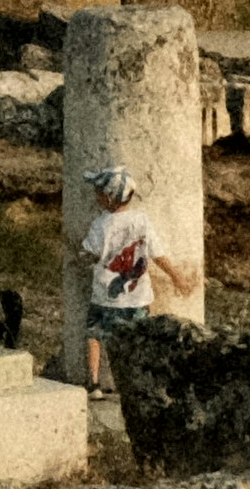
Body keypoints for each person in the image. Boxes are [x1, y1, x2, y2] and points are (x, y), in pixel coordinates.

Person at [75, 165, 187, 386]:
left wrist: (79, 256)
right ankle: (134, 382)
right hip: (138, 298)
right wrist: (176, 276)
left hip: (105, 296)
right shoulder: (142, 221)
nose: (95, 196)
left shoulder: (100, 225)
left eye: (98, 192)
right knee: (136, 340)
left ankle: (94, 383)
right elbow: (157, 254)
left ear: (109, 198)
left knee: (94, 335)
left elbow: (88, 254)